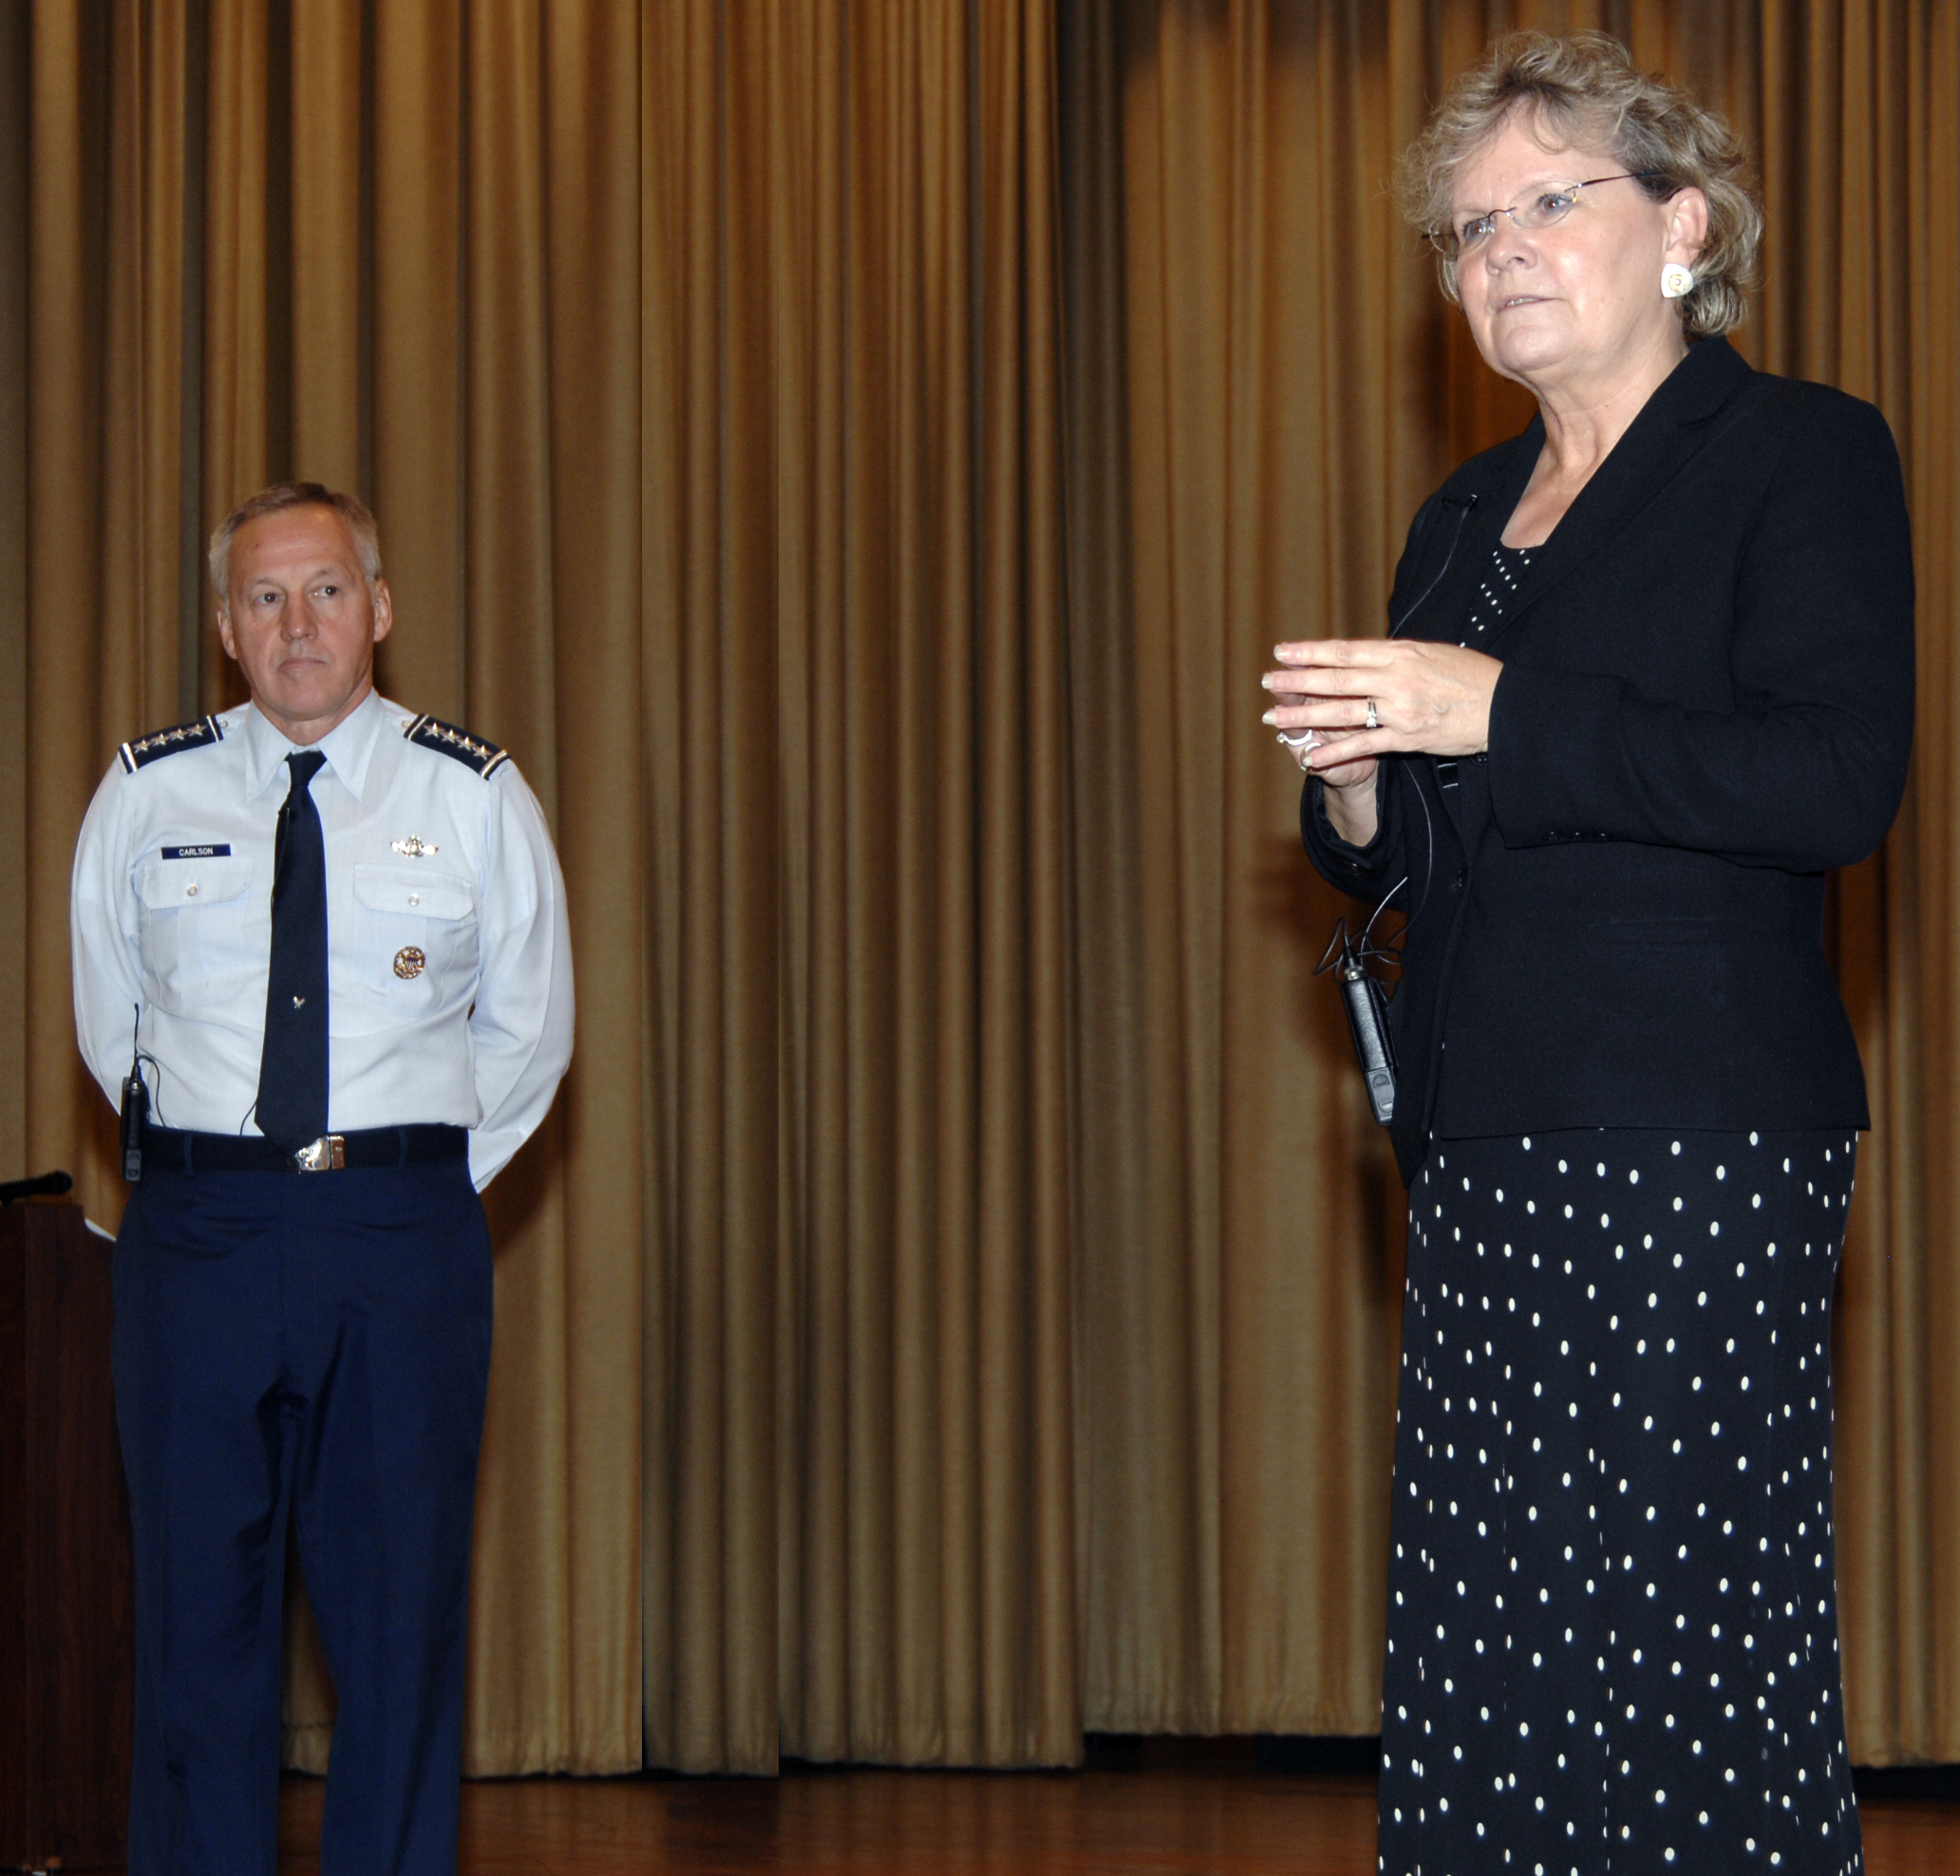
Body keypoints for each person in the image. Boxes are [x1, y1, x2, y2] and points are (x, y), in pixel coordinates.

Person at [1262, 33, 1911, 1876]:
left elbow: (1832, 774)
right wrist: (1371, 801)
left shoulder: (1795, 452)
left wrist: (1499, 710)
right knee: (1491, 1639)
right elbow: (1425, 844)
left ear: (1685, 228)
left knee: (1672, 1633)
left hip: (1696, 1138)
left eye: (1551, 201)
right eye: (1468, 230)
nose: (1499, 253)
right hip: (1485, 1139)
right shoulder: (1462, 517)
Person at [70, 482, 575, 1874]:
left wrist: (398, 1178)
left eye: (327, 591)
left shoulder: (475, 794)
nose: (299, 625)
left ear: (381, 610)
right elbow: (110, 1022)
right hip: (200, 1236)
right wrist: (219, 1172)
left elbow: (528, 1039)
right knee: (194, 1622)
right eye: (266, 598)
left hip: (396, 1238)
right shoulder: (144, 790)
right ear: (226, 628)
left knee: (399, 1617)